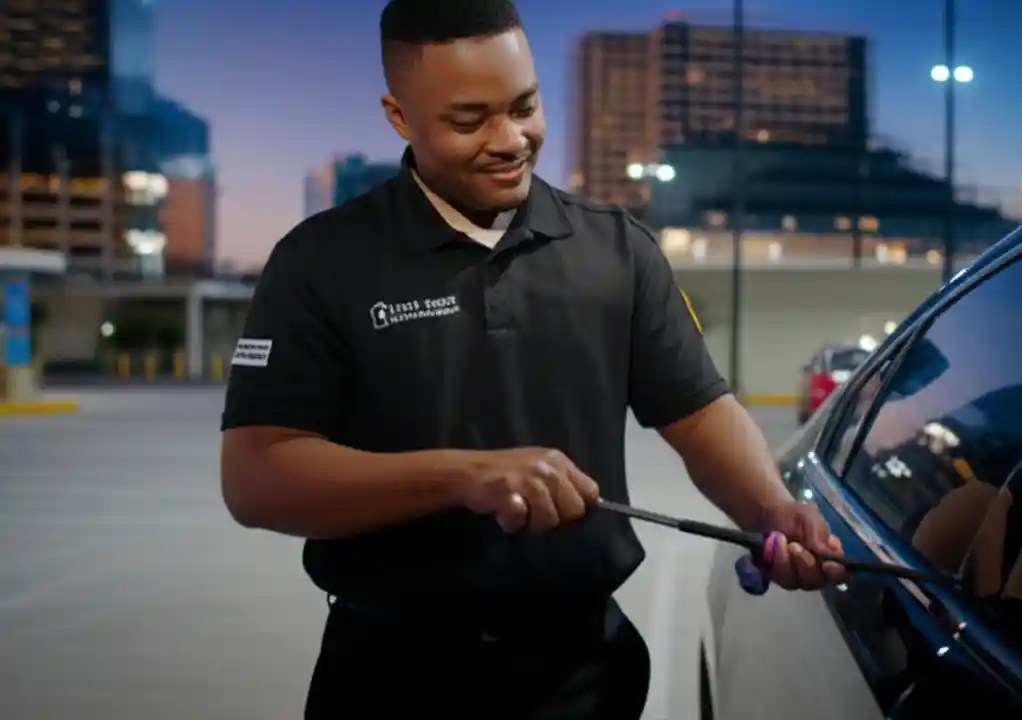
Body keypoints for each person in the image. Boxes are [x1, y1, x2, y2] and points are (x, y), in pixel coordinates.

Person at [218, 2, 846, 717]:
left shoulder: (615, 248)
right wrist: (466, 475)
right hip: (390, 674)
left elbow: (699, 413)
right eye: (469, 119)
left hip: (580, 675)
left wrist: (770, 507)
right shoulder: (320, 261)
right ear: (399, 116)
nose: (510, 139)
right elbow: (257, 477)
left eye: (525, 107)